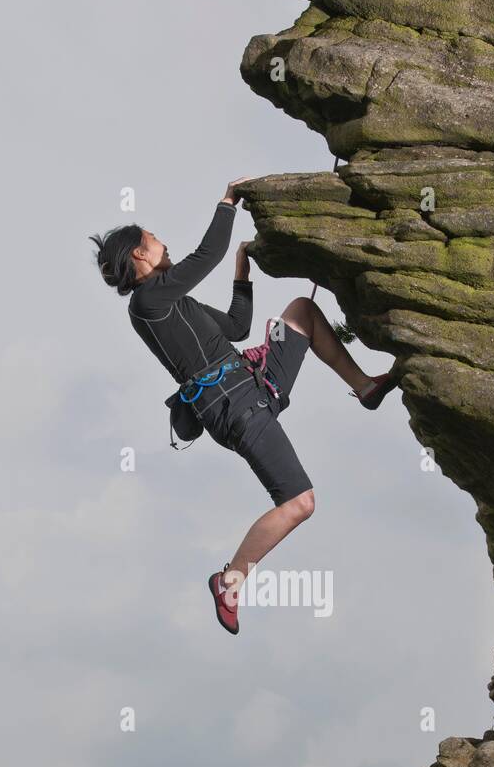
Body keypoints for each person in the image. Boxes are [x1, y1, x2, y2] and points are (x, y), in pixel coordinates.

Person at [90, 179, 397, 634]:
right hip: (234, 406)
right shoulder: (148, 302)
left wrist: (242, 270)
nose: (162, 241)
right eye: (153, 238)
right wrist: (227, 203)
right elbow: (204, 256)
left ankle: (365, 387)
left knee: (302, 313)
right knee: (299, 502)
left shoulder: (174, 300)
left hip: (254, 384)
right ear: (139, 254)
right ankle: (230, 580)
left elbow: (236, 327)